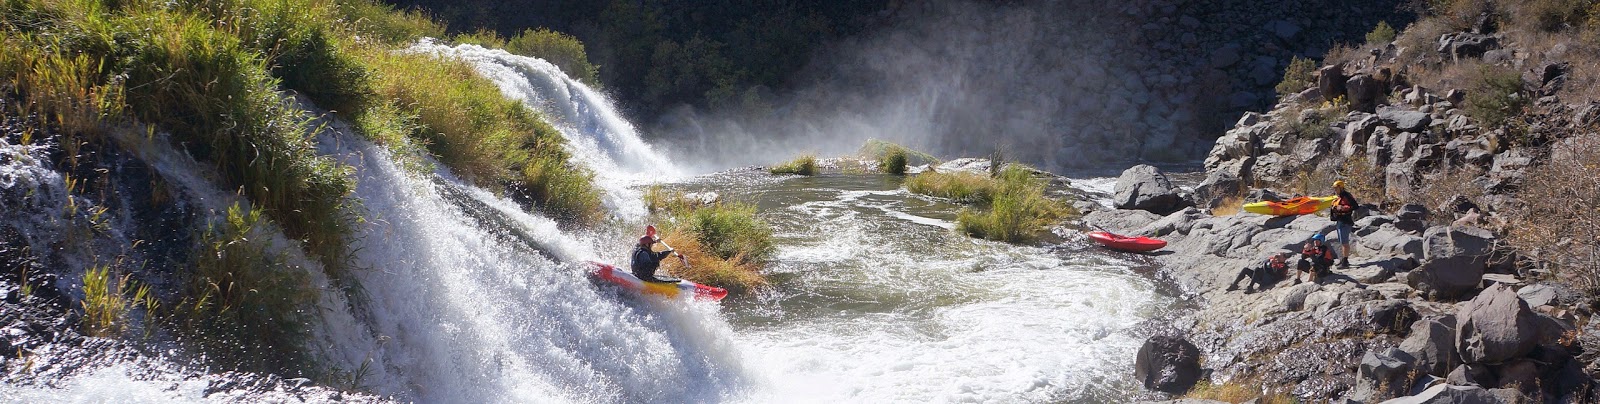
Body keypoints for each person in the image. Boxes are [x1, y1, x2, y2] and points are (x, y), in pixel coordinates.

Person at [1330, 180, 1359, 268]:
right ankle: (1343, 260)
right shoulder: (1338, 196)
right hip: (1339, 221)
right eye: (1334, 188)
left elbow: (1355, 206)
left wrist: (1343, 207)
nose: (1335, 190)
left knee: (1345, 243)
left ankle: (1345, 262)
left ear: (1341, 188)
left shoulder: (1347, 196)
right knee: (1341, 242)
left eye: (1336, 188)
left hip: (1345, 222)